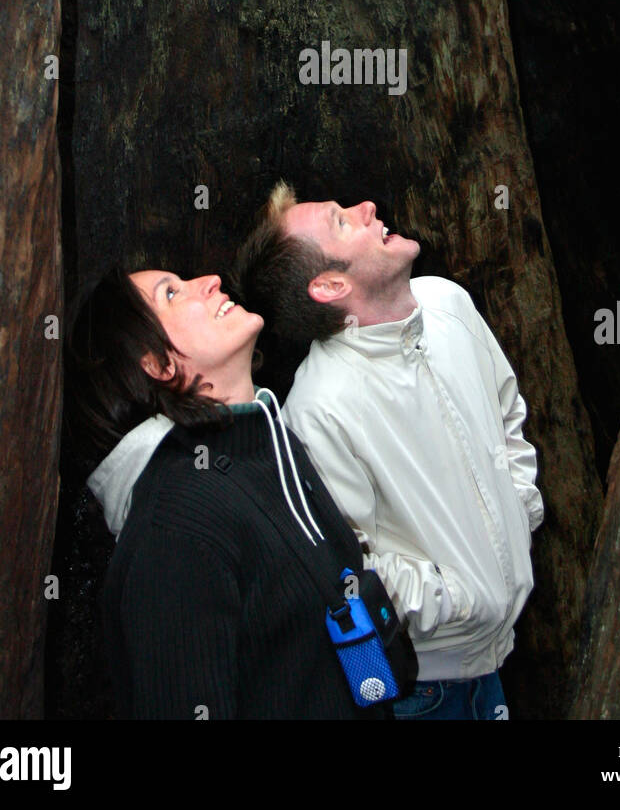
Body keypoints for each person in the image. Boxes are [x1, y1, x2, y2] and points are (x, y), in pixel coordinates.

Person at [233, 184, 544, 721]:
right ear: (330, 285)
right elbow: (347, 565)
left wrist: (521, 508)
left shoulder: (447, 303)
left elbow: (506, 410)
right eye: (341, 221)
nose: (366, 207)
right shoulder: (318, 408)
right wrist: (458, 600)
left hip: (498, 662)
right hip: (423, 693)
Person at [64, 263, 399, 720]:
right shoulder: (175, 528)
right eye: (171, 294)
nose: (210, 281)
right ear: (158, 365)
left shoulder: (267, 447)